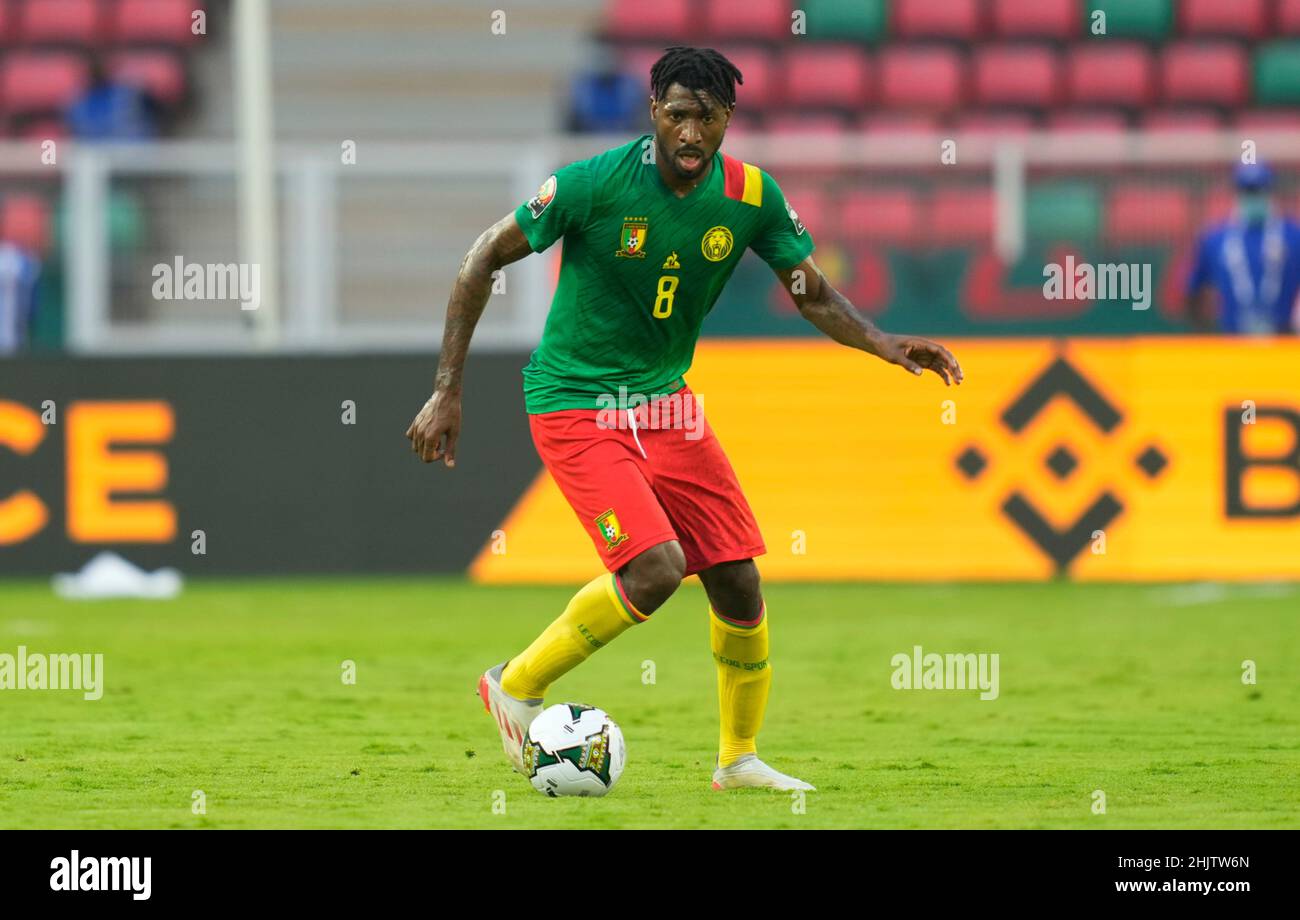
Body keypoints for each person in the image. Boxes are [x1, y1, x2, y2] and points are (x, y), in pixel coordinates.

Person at [406, 46, 962, 791]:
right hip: (576, 401)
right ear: (653, 114)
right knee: (657, 568)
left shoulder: (751, 198)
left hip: (666, 404)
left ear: (728, 117)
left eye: (707, 117)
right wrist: (448, 390)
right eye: (677, 116)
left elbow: (812, 291)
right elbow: (479, 260)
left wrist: (885, 343)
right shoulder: (592, 185)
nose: (691, 133)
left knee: (737, 581)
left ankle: (738, 760)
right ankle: (514, 681)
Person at [1187, 162, 1300, 334]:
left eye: (1259, 190)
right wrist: (1205, 334)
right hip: (1234, 340)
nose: (1254, 197)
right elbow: (1194, 291)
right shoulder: (1215, 239)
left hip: (1283, 340)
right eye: (1248, 191)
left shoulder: (1293, 236)